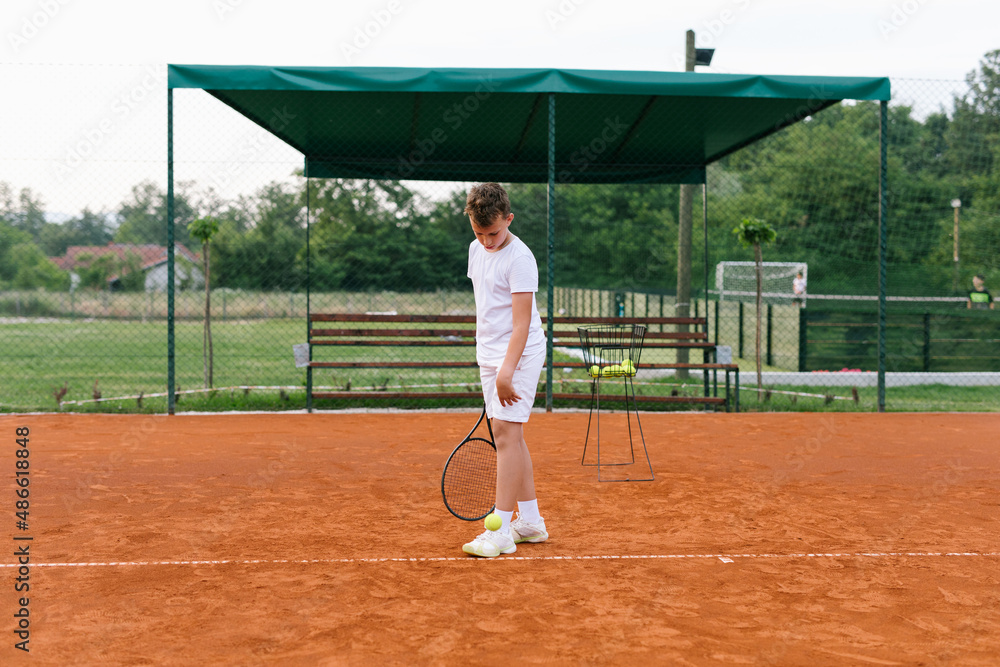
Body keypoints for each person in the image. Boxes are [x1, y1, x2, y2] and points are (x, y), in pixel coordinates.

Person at [461, 182, 549, 558]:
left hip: (521, 353)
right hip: (491, 354)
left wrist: (506, 371)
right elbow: (488, 308)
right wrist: (489, 361)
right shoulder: (475, 250)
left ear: (508, 219)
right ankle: (530, 521)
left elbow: (521, 323)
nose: (487, 241)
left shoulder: (521, 259)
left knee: (507, 436)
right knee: (508, 435)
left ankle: (500, 530)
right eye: (479, 233)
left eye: (494, 232)